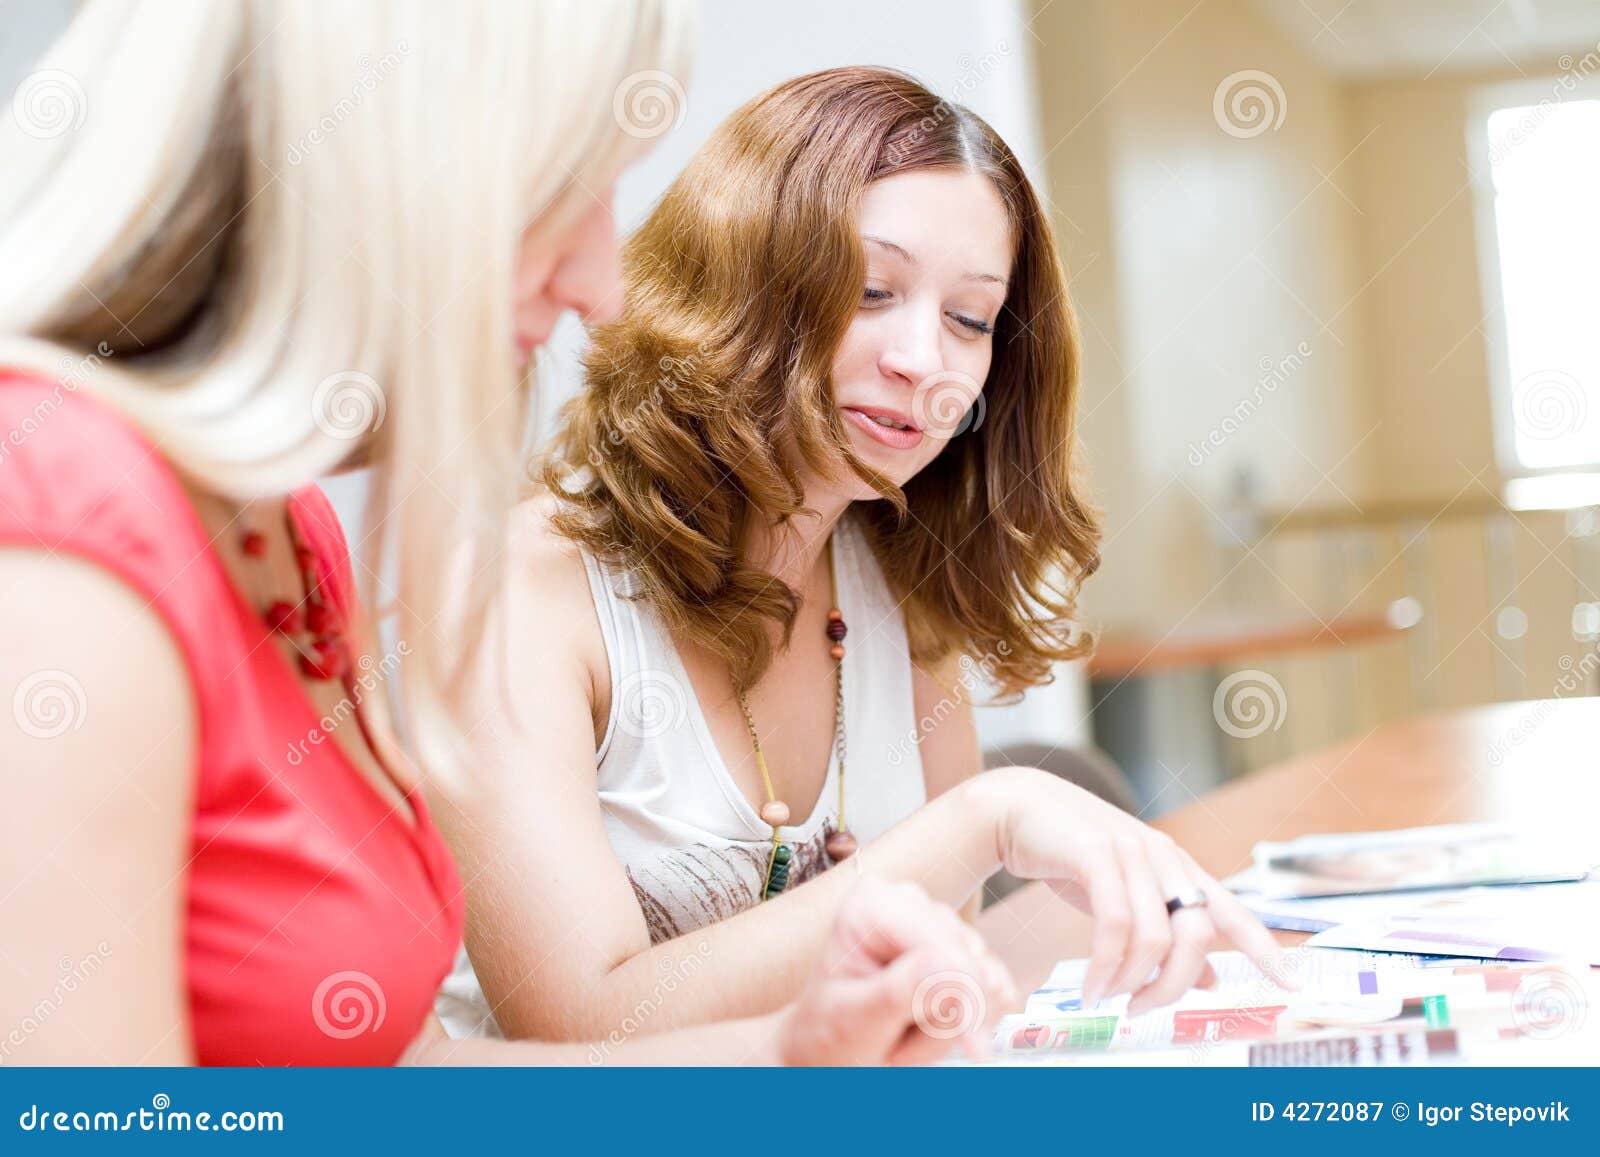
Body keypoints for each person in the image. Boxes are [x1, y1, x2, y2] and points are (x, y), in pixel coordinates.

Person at [0, 1, 1011, 1066]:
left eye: (971, 317)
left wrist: (782, 1058)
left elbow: (405, 1069)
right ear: (366, 172)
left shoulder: (281, 528)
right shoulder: (60, 523)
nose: (600, 285)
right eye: (561, 197)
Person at [437, 66, 1294, 1044]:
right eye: (871, 289)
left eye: (971, 319)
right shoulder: (523, 593)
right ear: (736, 286)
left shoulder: (899, 577)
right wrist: (985, 818)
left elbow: (921, 1009)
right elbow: (585, 1028)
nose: (923, 359)